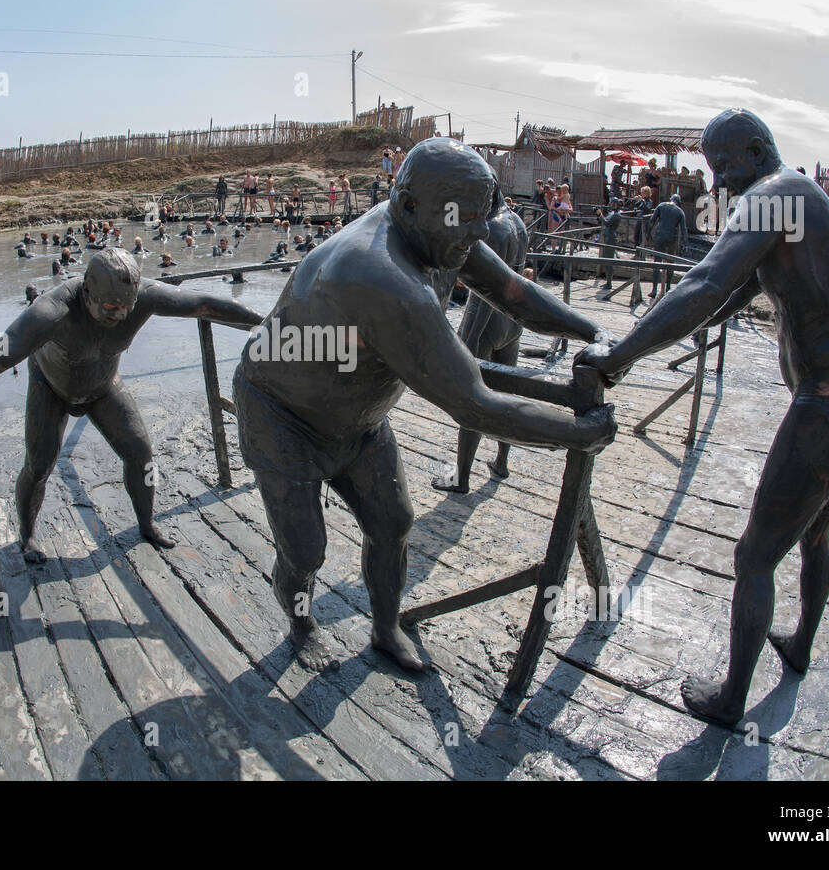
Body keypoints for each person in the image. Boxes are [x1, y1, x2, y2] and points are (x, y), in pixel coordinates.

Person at [234, 138, 617, 672]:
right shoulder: (378, 273)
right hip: (283, 415)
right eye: (467, 221)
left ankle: (385, 627)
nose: (478, 235)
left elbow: (512, 293)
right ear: (408, 206)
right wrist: (579, 433)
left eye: (483, 220)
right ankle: (301, 623)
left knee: (393, 523)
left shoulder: (447, 231)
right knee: (305, 550)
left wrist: (595, 333)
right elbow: (475, 406)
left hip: (360, 418)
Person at [576, 109, 829, 726]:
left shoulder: (772, 196)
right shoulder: (805, 199)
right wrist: (685, 323)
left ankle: (731, 700)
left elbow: (706, 283)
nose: (717, 182)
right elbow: (730, 294)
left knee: (754, 558)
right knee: (815, 533)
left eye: (722, 166)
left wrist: (619, 355)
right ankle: (799, 644)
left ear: (755, 151)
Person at [0, 248, 263, 562]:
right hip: (51, 386)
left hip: (102, 385)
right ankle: (27, 535)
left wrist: (266, 324)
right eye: (110, 308)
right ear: (86, 292)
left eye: (126, 308)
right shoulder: (51, 312)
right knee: (39, 466)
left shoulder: (144, 297)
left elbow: (203, 304)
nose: (120, 316)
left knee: (141, 454)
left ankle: (146, 524)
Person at [430, 196, 532, 493]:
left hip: (487, 321)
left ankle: (462, 476)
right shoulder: (518, 223)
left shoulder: (493, 229)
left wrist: (470, 340)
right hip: (512, 322)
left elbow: (486, 294)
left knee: (473, 401)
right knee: (507, 392)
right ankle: (501, 460)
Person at [646, 193, 688, 297]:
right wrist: (685, 243)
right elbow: (684, 229)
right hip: (671, 239)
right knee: (670, 264)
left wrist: (648, 234)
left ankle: (654, 290)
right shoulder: (680, 212)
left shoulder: (661, 206)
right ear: (678, 202)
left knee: (657, 263)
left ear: (671, 199)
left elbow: (651, 221)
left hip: (660, 237)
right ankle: (668, 288)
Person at [594, 198, 623, 291]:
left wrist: (600, 214)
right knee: (606, 261)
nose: (611, 205)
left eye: (613, 204)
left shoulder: (617, 215)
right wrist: (599, 215)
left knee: (609, 261)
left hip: (611, 238)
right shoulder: (612, 213)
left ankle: (609, 282)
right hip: (607, 237)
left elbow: (607, 223)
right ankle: (607, 281)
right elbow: (604, 220)